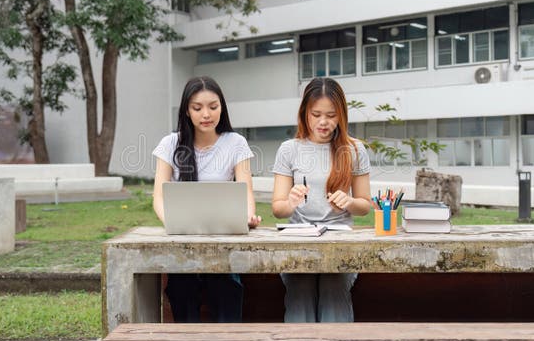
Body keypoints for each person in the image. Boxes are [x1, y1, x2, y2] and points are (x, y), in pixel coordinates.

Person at [152, 76, 261, 322]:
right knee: (181, 286)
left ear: (222, 107)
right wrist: (172, 222)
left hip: (224, 239)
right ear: (186, 111)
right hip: (183, 240)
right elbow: (159, 195)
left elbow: (246, 190)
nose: (206, 114)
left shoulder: (236, 143)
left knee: (226, 284)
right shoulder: (170, 144)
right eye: (197, 108)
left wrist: (248, 216)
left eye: (213, 106)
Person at [271, 77, 371, 322]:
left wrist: (349, 202)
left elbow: (365, 206)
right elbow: (277, 209)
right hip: (298, 242)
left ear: (342, 116)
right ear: (305, 113)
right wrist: (291, 202)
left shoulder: (354, 150)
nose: (323, 122)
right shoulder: (289, 149)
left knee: (333, 287)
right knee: (301, 289)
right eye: (316, 114)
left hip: (339, 242)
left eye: (331, 115)